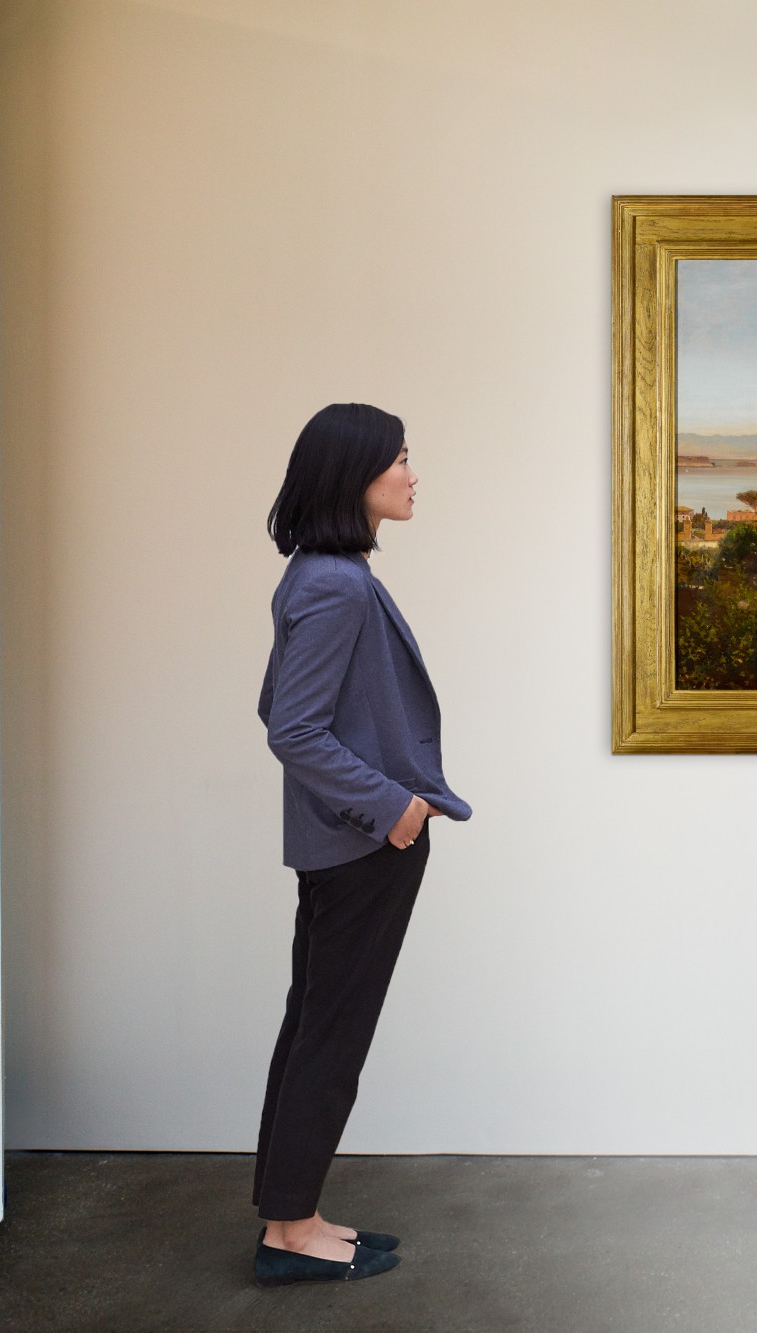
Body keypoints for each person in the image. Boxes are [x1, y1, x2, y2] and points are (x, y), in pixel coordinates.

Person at [250, 402, 473, 1286]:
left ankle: (291, 1218)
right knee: (330, 1039)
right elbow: (293, 727)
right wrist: (393, 808)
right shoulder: (337, 585)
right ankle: (292, 1232)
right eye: (401, 458)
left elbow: (276, 707)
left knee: (314, 1028)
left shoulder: (319, 573)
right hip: (362, 846)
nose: (413, 474)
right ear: (356, 475)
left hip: (340, 843)